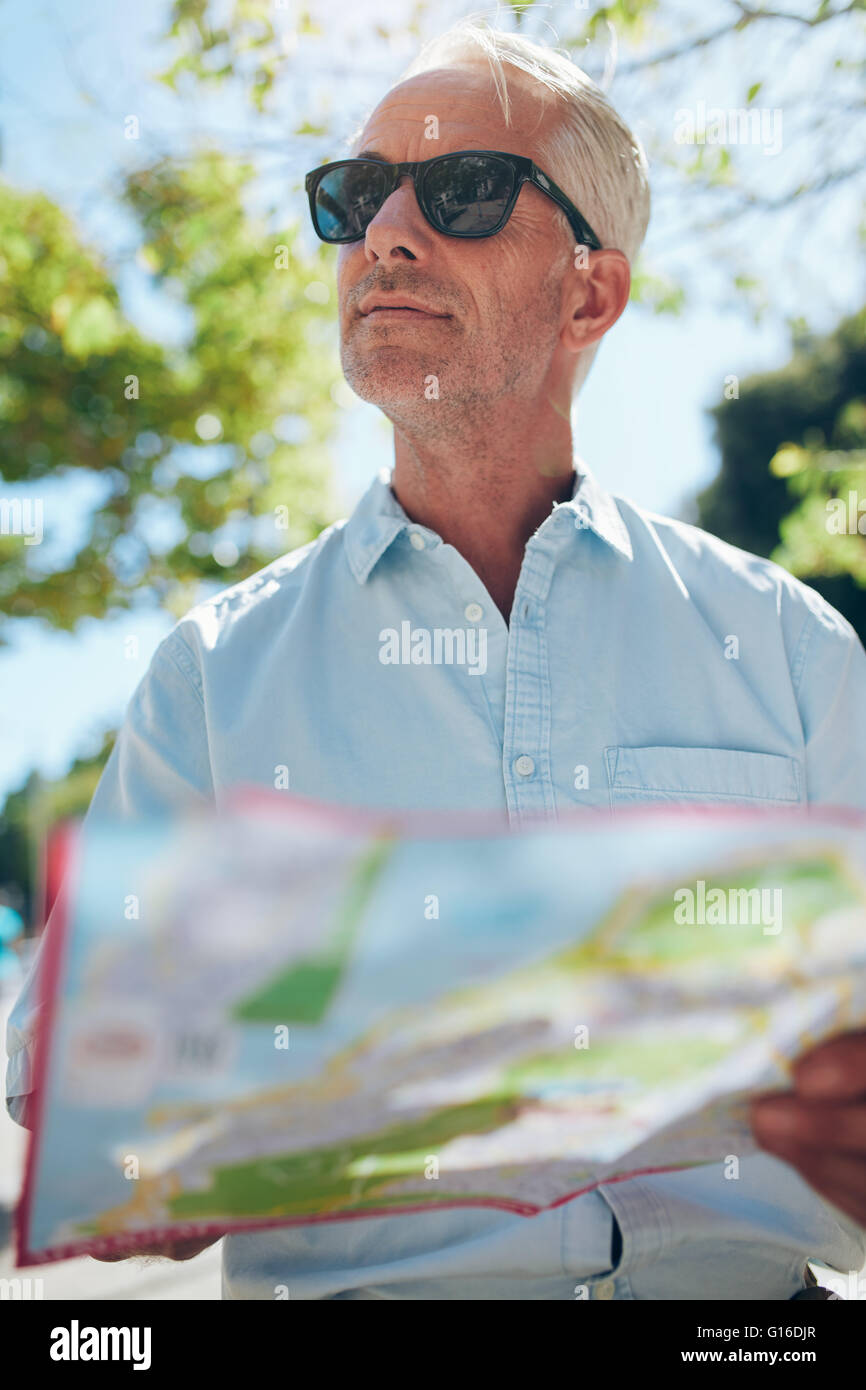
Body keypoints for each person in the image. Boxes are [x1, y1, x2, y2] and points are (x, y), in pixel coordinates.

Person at [7, 20, 866, 1300]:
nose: (385, 235)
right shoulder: (210, 680)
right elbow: (107, 1138)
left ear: (591, 291)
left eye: (462, 190)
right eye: (355, 198)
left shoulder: (792, 652)